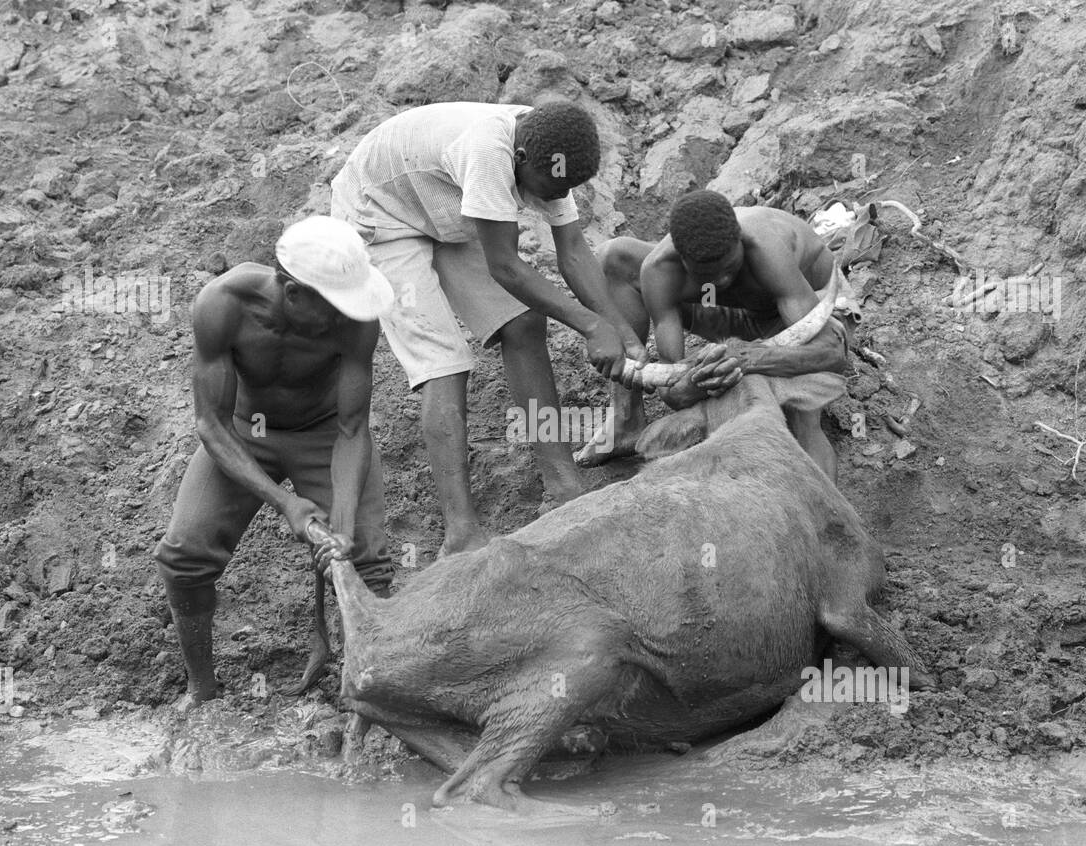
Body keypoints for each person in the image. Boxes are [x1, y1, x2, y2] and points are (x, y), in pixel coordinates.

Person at [331, 100, 637, 554]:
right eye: (549, 189)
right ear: (521, 160)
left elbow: (572, 251)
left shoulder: (554, 151)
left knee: (524, 323)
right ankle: (461, 532)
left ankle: (562, 480)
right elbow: (506, 267)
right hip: (379, 215)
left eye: (563, 191)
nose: (553, 199)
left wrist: (622, 330)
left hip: (441, 208)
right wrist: (591, 326)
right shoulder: (490, 153)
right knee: (445, 362)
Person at [153, 216, 395, 711]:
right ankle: (202, 690)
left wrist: (342, 529)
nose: (340, 319)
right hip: (242, 433)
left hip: (327, 433)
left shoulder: (356, 320)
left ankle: (375, 693)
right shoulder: (222, 304)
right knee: (184, 556)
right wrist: (286, 503)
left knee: (366, 563)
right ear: (291, 291)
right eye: (331, 307)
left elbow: (353, 429)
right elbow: (211, 425)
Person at [577, 189, 850, 482]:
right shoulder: (659, 269)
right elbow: (673, 390)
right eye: (708, 275)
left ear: (739, 241)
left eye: (731, 268)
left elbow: (832, 353)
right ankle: (626, 420)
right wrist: (696, 379)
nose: (722, 280)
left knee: (800, 415)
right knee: (613, 256)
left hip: (807, 311)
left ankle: (826, 519)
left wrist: (752, 358)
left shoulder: (766, 248)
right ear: (682, 259)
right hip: (726, 308)